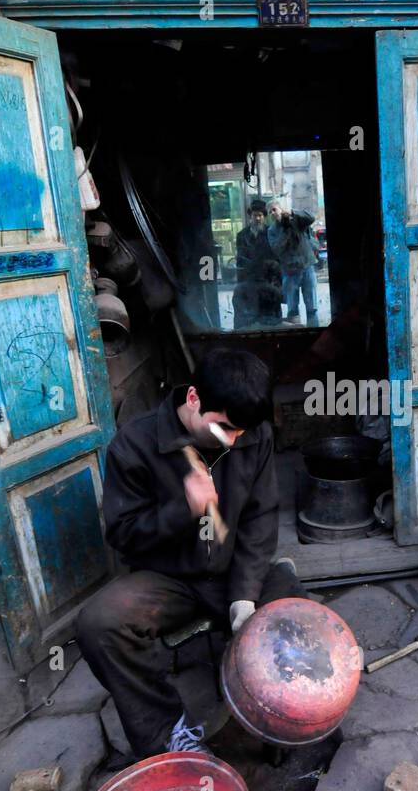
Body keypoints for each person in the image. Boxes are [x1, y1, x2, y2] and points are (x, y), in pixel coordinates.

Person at [77, 348, 305, 757]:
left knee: (293, 611)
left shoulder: (254, 434)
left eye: (242, 432)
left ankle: (273, 719)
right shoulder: (133, 444)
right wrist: (183, 509)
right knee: (99, 623)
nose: (234, 441)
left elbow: (260, 518)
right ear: (194, 399)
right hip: (168, 579)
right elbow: (124, 535)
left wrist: (244, 593)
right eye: (225, 429)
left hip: (235, 568)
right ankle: (168, 736)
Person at [267, 199, 319, 326]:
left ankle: (314, 332)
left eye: (274, 209)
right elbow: (277, 249)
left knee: (312, 306)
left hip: (307, 267)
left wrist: (292, 212)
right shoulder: (272, 231)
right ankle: (297, 334)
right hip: (290, 271)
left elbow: (311, 217)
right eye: (270, 212)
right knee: (292, 309)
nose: (273, 213)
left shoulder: (296, 220)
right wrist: (286, 230)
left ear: (281, 209)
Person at [233, 198, 282, 328]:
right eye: (255, 215)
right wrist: (241, 281)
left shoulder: (270, 233)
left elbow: (276, 257)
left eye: (260, 215)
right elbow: (240, 260)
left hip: (268, 279)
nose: (258, 218)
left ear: (264, 217)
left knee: (271, 315)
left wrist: (276, 282)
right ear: (250, 216)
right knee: (249, 315)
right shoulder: (242, 235)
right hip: (249, 280)